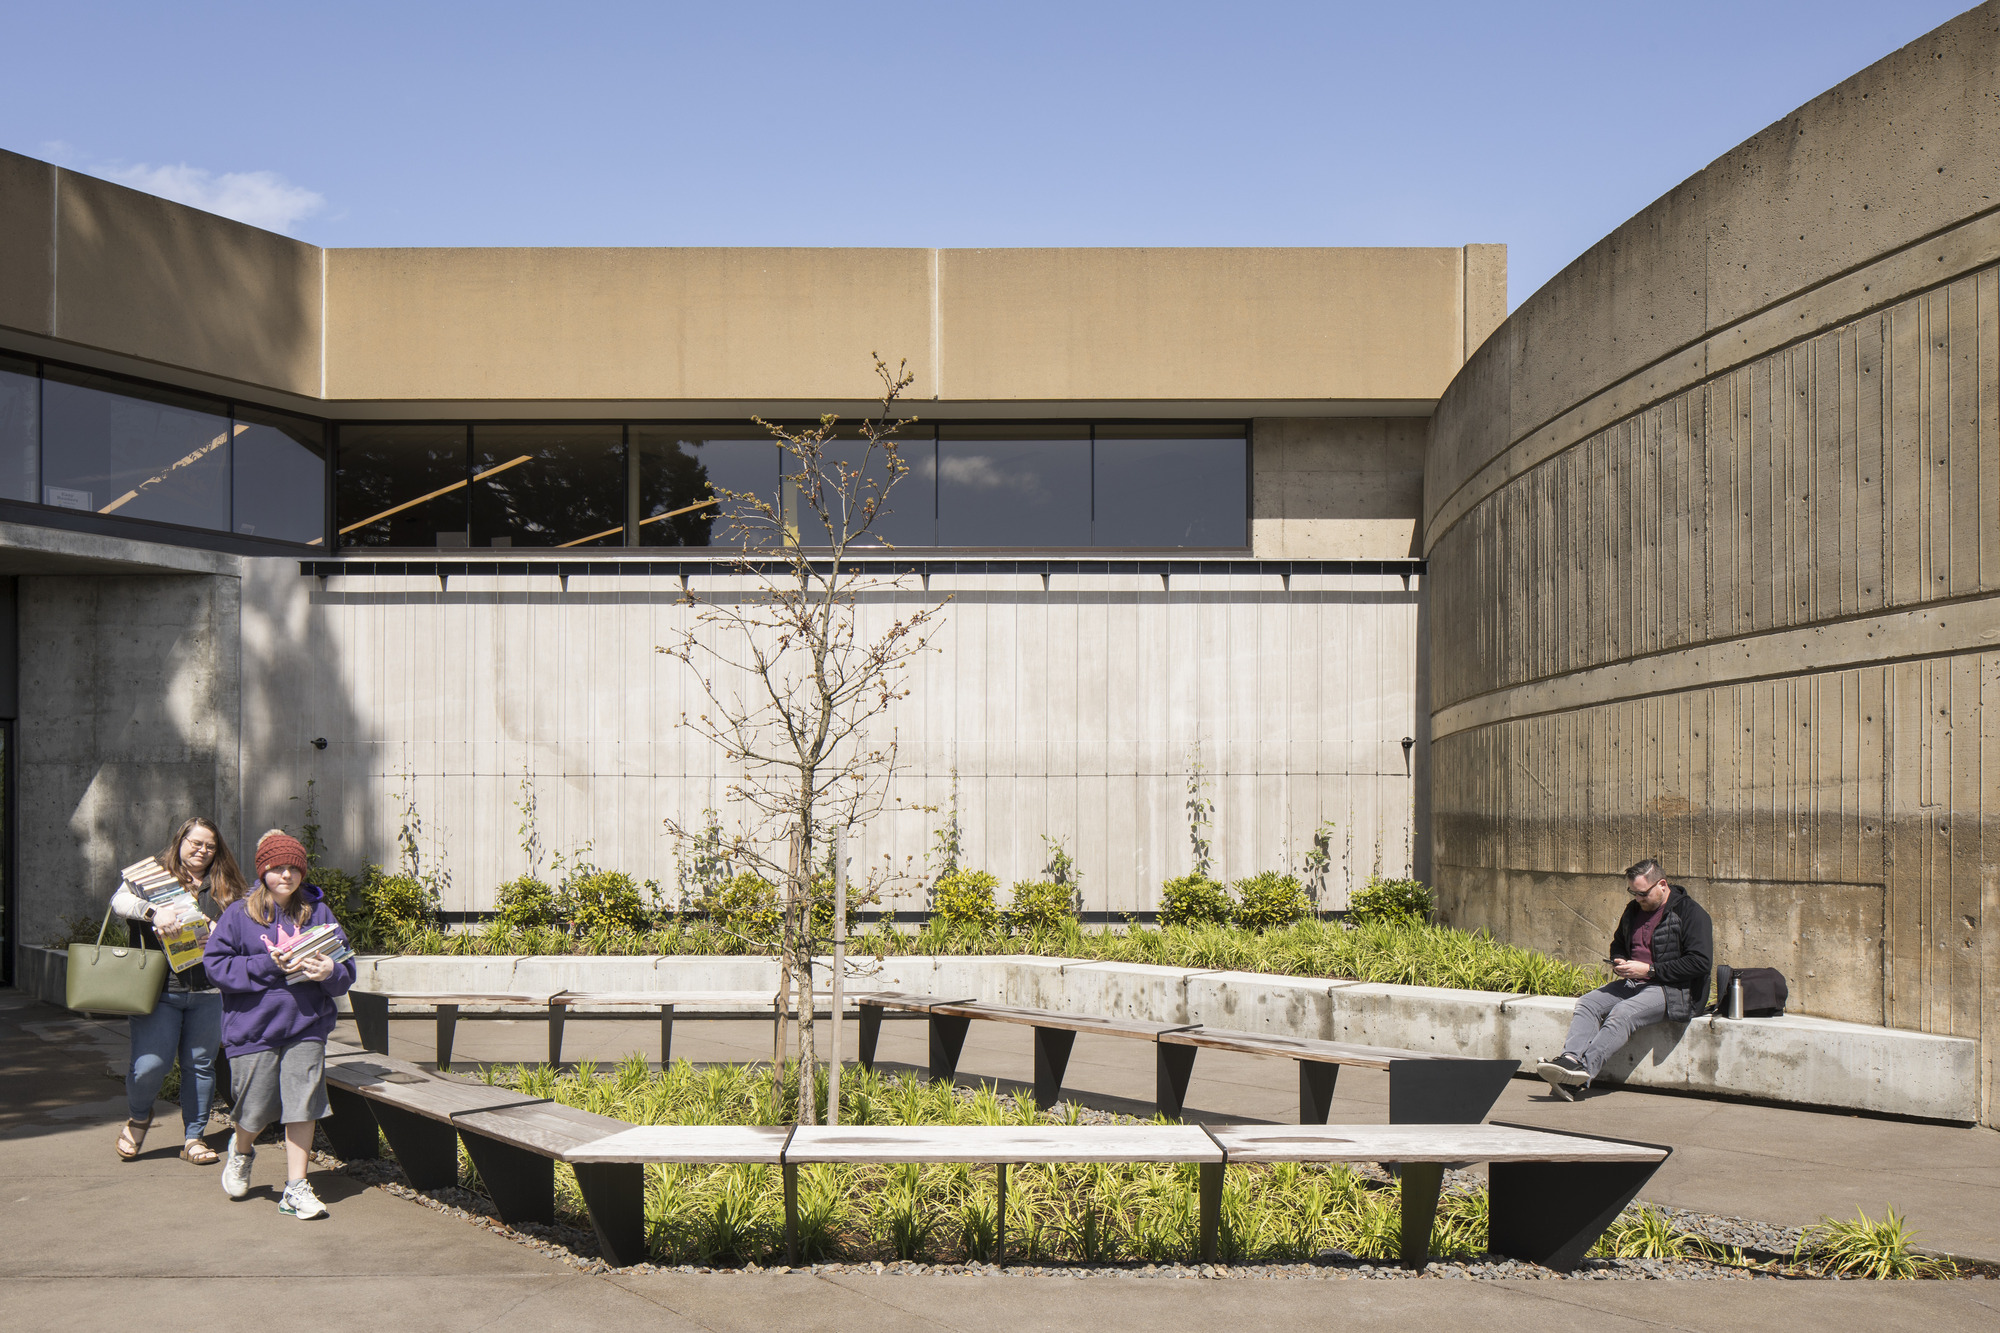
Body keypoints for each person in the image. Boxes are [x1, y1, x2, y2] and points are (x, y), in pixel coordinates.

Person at [203, 833, 355, 1218]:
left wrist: (329, 970)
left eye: (293, 868)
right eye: (277, 868)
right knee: (255, 1108)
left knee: (303, 1103)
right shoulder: (238, 914)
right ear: (263, 871)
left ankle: (296, 1187)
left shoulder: (319, 913)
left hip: (307, 1025)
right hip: (253, 1028)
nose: (286, 875)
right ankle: (241, 1151)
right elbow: (216, 967)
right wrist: (267, 964)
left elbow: (346, 970)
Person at [110, 817, 248, 1164]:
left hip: (209, 991)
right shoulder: (152, 876)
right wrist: (153, 912)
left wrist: (220, 933)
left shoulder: (227, 883)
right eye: (196, 843)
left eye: (210, 846)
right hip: (159, 989)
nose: (202, 851)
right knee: (149, 1066)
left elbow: (246, 929)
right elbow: (118, 902)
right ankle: (139, 1117)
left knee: (200, 1065)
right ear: (180, 841)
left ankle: (194, 1138)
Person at [1536, 858, 1713, 1100]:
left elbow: (1700, 962)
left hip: (1673, 990)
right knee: (1588, 1003)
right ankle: (1569, 1060)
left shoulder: (1691, 913)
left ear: (1662, 885)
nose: (1638, 899)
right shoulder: (1633, 910)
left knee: (1623, 1012)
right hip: (1633, 983)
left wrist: (1650, 970)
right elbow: (1618, 943)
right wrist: (1618, 959)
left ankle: (1581, 1075)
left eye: (1643, 893)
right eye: (1633, 893)